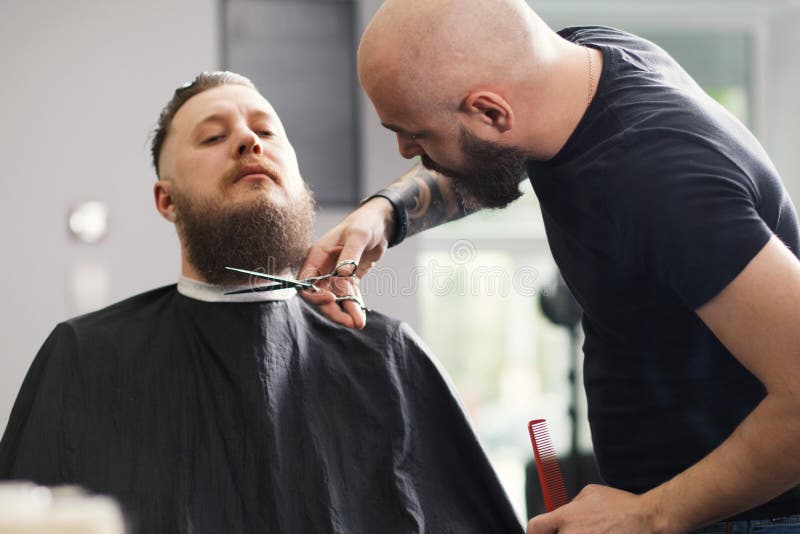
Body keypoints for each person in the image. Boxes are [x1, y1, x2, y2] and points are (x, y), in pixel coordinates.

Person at [299, 1, 800, 532]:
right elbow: (488, 155)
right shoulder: (580, 63)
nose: (405, 151)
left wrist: (650, 516)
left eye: (417, 135)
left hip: (743, 516)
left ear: (492, 112)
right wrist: (385, 214)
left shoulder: (663, 181)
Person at [0, 71, 524, 534]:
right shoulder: (86, 358)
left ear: (299, 180)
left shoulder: (387, 356)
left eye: (267, 132)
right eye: (213, 136)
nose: (250, 141)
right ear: (166, 200)